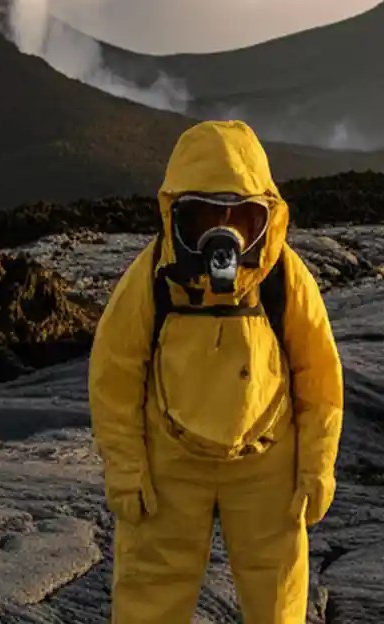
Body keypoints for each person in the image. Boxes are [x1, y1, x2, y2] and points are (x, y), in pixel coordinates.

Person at [88, 120, 344, 623]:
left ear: (266, 218)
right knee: (150, 594)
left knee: (277, 599)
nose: (222, 236)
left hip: (266, 462)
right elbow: (114, 376)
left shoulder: (282, 278)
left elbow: (319, 378)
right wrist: (126, 467)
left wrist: (316, 465)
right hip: (171, 464)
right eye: (203, 217)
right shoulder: (154, 278)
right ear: (175, 218)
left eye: (242, 219)